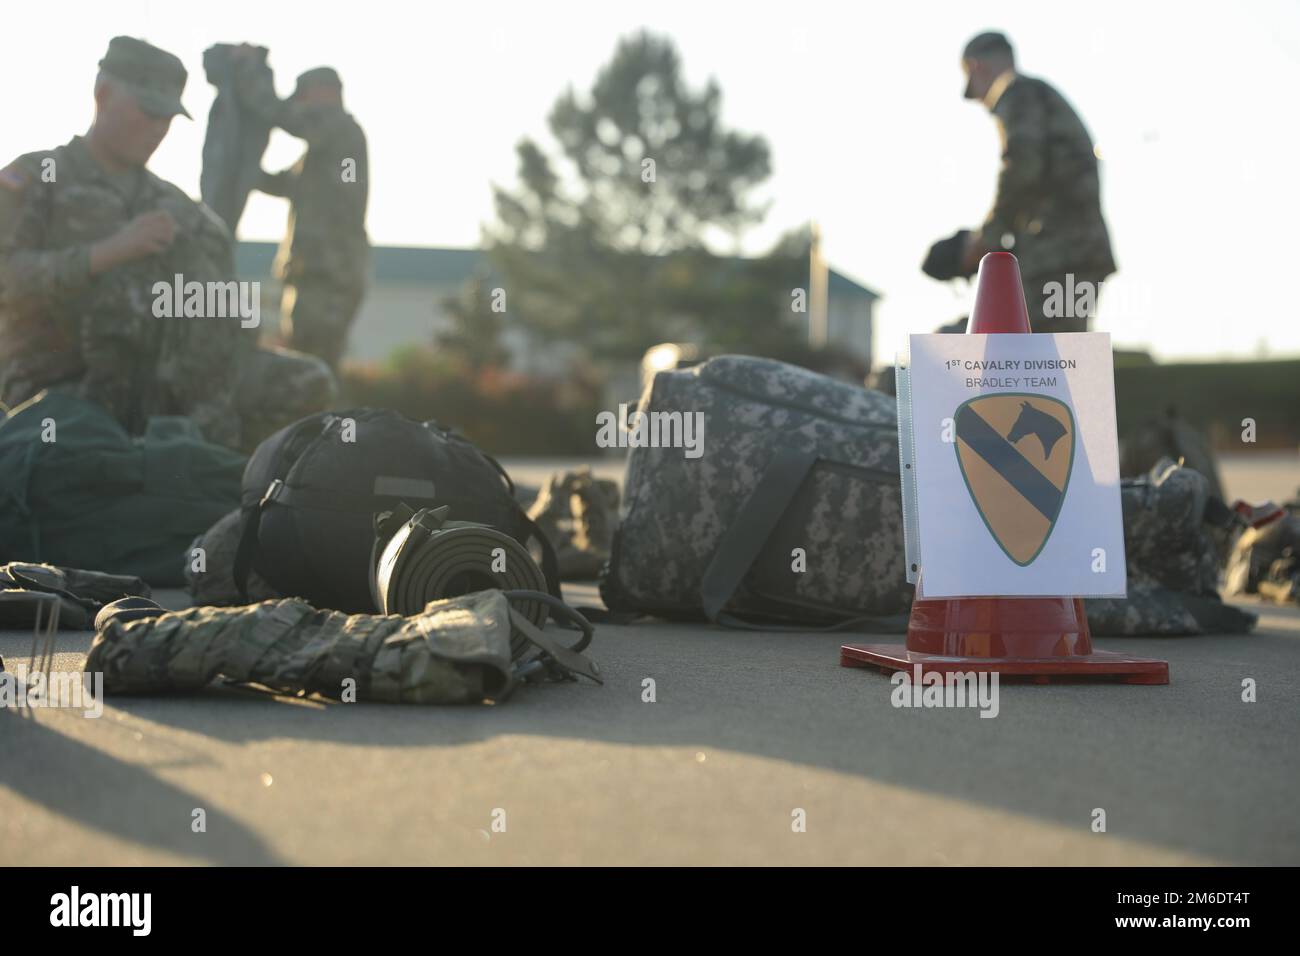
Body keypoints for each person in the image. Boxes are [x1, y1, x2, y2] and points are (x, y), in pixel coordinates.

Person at [0, 36, 335, 451]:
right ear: (103, 95)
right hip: (64, 384)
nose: (160, 128)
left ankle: (227, 497)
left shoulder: (177, 206)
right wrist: (105, 254)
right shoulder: (37, 178)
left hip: (167, 383)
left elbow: (228, 306)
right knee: (71, 441)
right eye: (150, 112)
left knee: (305, 382)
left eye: (169, 117)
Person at [956, 31, 1117, 332]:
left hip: (1061, 258)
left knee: (1052, 355)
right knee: (1062, 354)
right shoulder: (1037, 94)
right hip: (1073, 255)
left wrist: (987, 237)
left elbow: (1022, 168)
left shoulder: (1016, 93)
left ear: (976, 67)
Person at [235, 58, 370, 370]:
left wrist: (251, 87)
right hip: (313, 274)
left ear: (326, 92)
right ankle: (317, 419)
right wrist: (244, 171)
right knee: (305, 361)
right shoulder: (325, 154)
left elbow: (292, 120)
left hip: (330, 276)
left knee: (315, 367)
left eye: (304, 97)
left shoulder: (342, 131)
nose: (301, 106)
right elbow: (285, 184)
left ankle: (325, 421)